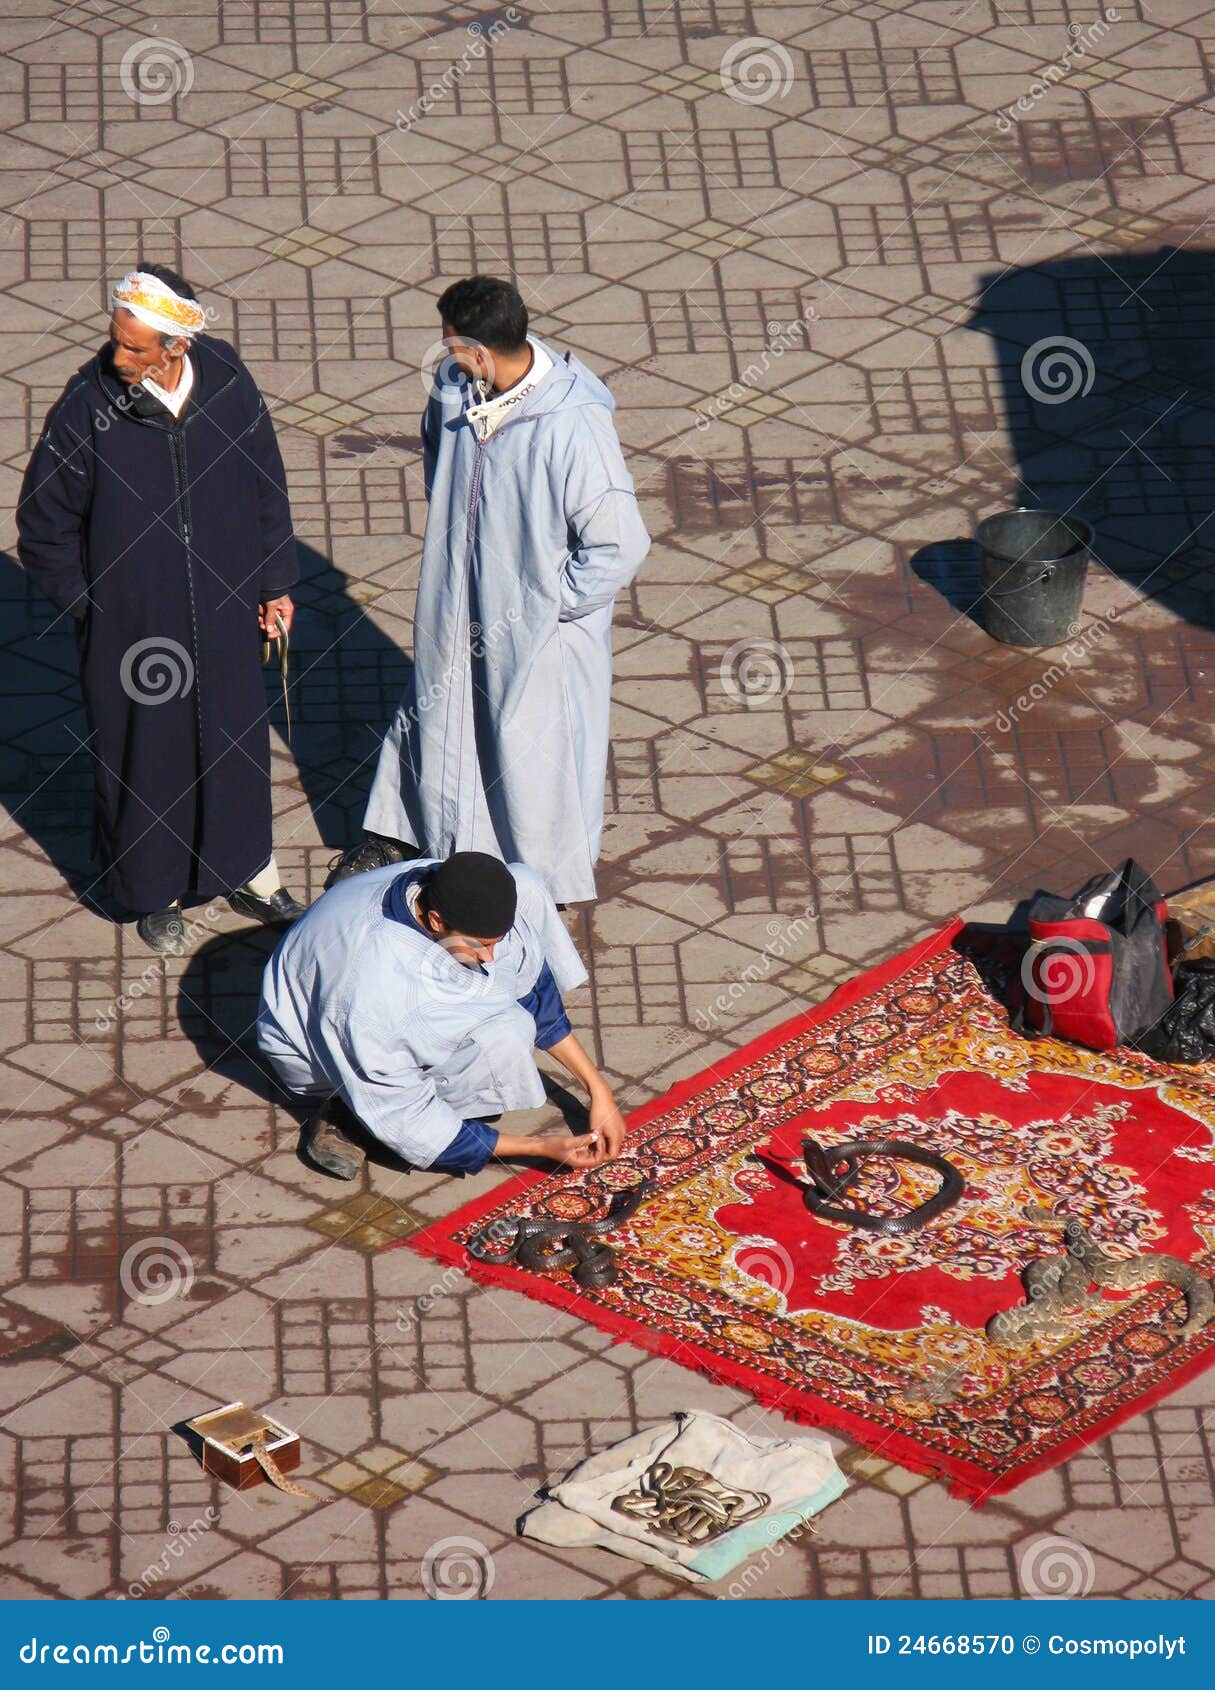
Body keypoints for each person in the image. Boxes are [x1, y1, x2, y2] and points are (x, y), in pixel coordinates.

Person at [325, 275, 650, 905]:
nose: (442, 355)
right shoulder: (458, 388)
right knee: (439, 715)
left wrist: (550, 604)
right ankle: (414, 836)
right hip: (457, 601)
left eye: (449, 344)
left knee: (531, 755)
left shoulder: (572, 428)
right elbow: (436, 454)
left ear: (478, 349)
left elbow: (619, 544)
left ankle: (537, 891)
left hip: (539, 632)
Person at [17, 263, 305, 953]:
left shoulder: (229, 383)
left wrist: (274, 583)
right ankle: (154, 890)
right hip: (134, 631)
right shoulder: (87, 408)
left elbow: (267, 485)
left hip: (228, 611)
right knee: (144, 757)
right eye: (117, 340)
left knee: (236, 744)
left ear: (177, 346)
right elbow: (42, 524)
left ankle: (248, 870)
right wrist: (94, 608)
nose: (119, 357)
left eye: (136, 347)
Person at [258, 850, 627, 1180]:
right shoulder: (372, 988)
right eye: (479, 946)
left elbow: (531, 989)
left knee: (512, 1013)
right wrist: (541, 1147)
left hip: (357, 1001)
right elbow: (403, 1113)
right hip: (316, 1051)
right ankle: (347, 1113)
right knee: (502, 1035)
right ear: (435, 921)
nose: (489, 958)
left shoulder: (456, 890)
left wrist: (599, 1091)